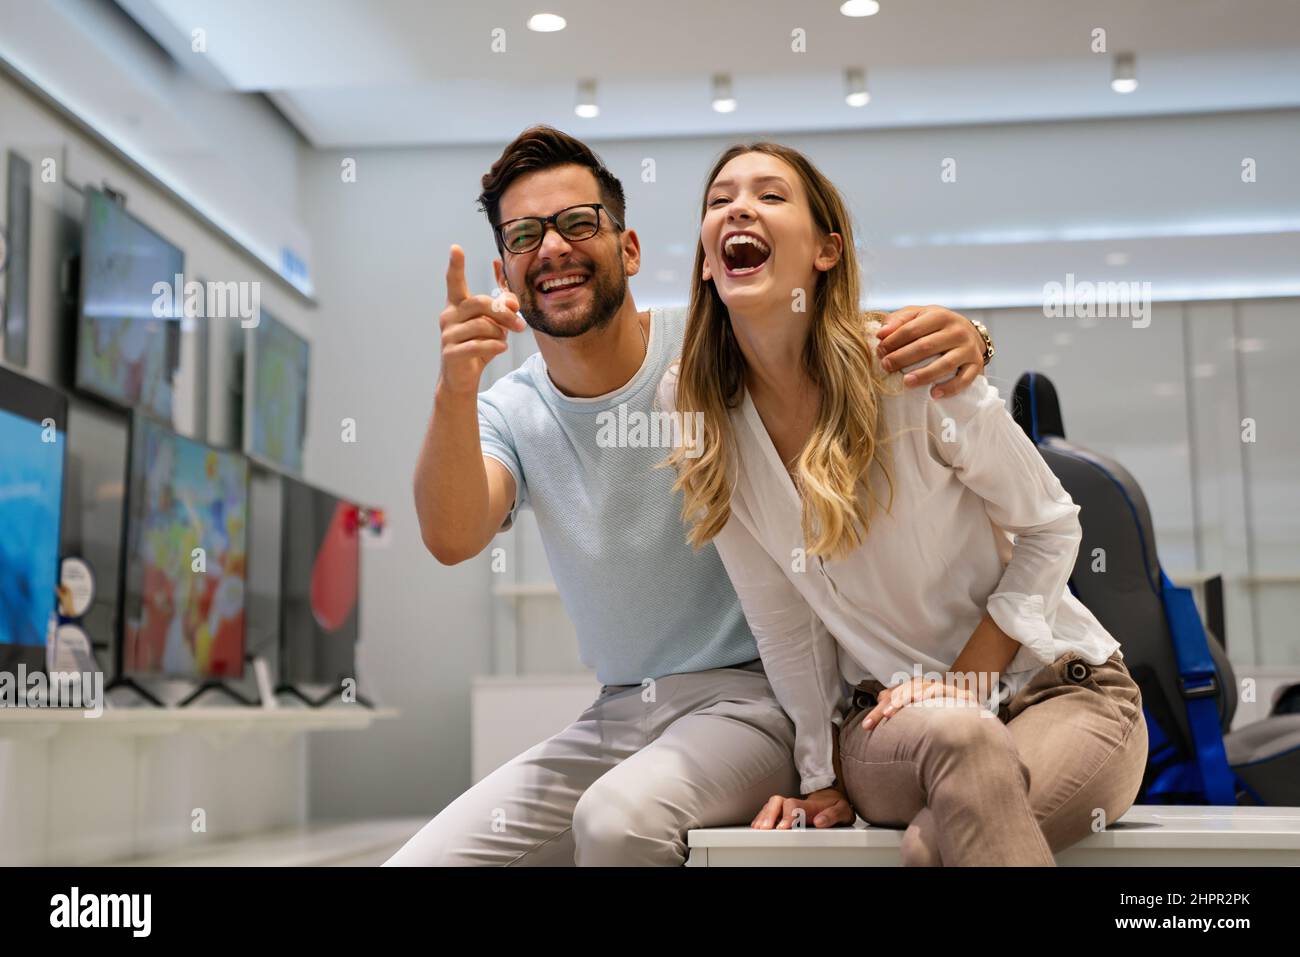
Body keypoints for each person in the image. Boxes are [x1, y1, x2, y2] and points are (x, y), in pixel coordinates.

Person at [388, 126, 991, 866]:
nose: (552, 248)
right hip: (616, 710)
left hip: (757, 701)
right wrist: (455, 386)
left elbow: (846, 340)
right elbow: (451, 535)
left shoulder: (712, 342)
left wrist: (973, 334)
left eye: (579, 222)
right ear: (505, 271)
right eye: (525, 235)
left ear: (629, 248)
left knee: (615, 823)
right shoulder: (507, 408)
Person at [658, 141, 1147, 866]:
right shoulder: (695, 405)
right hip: (893, 728)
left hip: (1063, 694)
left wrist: (962, 684)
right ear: (707, 261)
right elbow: (783, 619)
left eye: (770, 195)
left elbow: (1050, 526)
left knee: (934, 846)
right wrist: (820, 776)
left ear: (827, 251)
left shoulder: (906, 366)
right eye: (720, 198)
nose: (739, 206)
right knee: (960, 736)